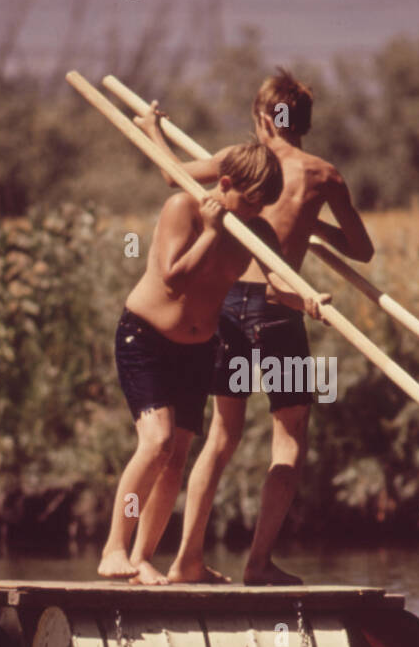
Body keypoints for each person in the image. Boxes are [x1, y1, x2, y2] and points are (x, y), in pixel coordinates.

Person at [136, 68, 375, 584]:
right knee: (288, 438)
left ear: (265, 117)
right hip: (281, 307)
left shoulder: (236, 162)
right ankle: (259, 562)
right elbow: (363, 250)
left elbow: (169, 172)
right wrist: (312, 226)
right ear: (300, 121)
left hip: (228, 306)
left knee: (221, 438)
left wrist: (152, 126)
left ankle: (186, 560)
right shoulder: (324, 175)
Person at [97, 140, 284, 585]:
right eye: (250, 201)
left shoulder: (254, 229)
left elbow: (282, 280)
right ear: (224, 185)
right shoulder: (183, 207)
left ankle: (143, 558)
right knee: (156, 441)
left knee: (176, 458)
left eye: (263, 205)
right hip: (145, 338)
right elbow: (174, 277)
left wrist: (309, 301)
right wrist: (214, 232)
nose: (255, 212)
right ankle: (114, 548)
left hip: (199, 349)